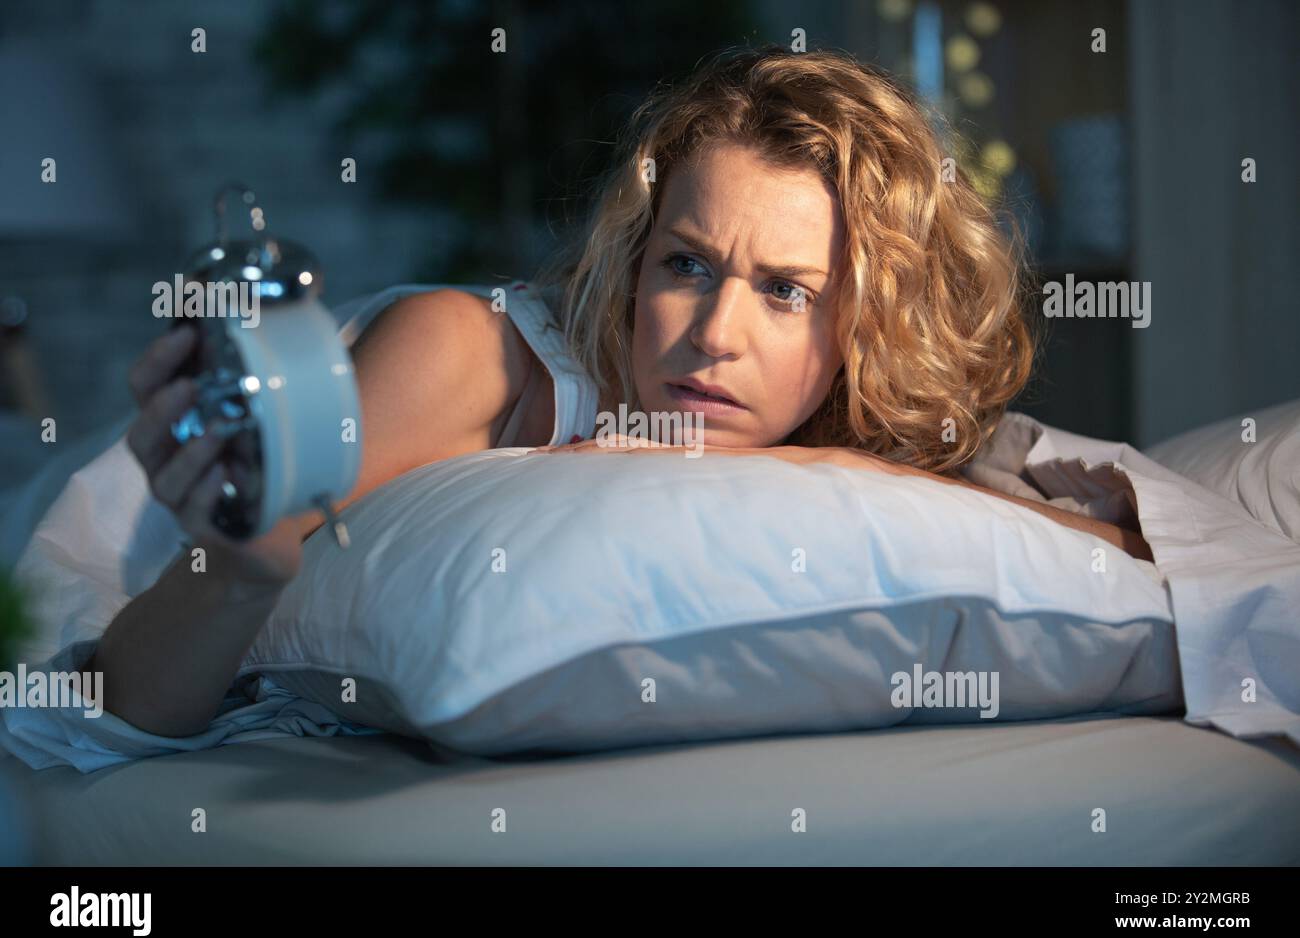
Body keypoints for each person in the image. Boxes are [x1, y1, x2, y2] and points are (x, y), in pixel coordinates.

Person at [91, 47, 1151, 739]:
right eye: (687, 263)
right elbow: (135, 685)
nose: (712, 335)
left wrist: (824, 463)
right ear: (635, 260)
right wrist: (237, 569)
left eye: (785, 291)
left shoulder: (842, 428)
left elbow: (1101, 561)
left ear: (865, 324)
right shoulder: (464, 356)